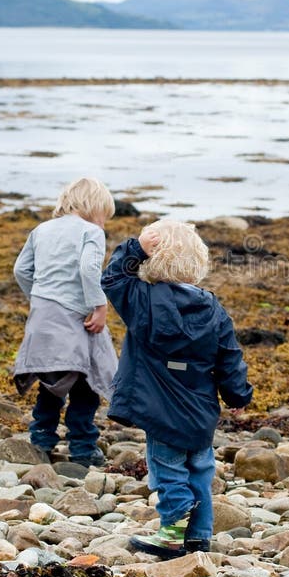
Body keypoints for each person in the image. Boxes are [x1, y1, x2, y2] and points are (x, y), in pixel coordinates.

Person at [101, 219, 253, 558]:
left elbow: (112, 278)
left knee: (168, 470)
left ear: (152, 260)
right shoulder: (213, 308)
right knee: (199, 471)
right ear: (197, 262)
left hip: (160, 408)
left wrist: (135, 249)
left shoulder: (141, 300)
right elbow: (229, 356)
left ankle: (172, 532)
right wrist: (238, 394)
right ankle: (198, 537)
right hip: (200, 410)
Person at [13, 177, 118, 468]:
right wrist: (99, 306)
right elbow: (88, 269)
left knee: (51, 382)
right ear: (92, 207)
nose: (104, 223)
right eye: (104, 215)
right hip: (76, 318)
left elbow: (21, 270)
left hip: (42, 318)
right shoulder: (91, 231)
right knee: (86, 383)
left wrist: (39, 298)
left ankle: (41, 441)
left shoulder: (41, 230)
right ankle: (83, 447)